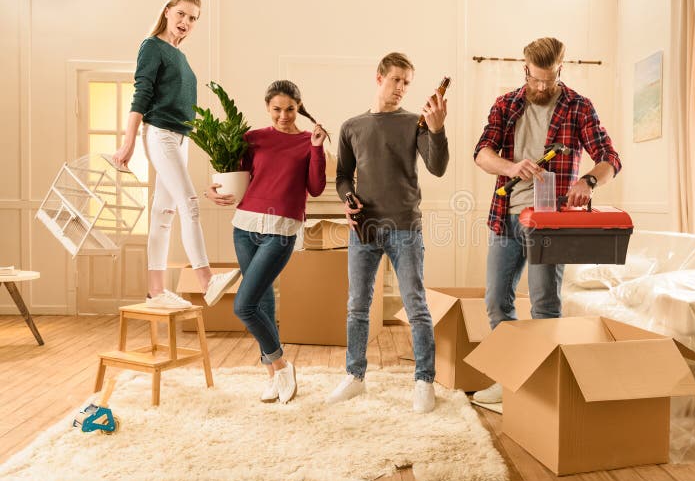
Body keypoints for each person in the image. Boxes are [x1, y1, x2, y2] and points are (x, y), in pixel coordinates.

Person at [472, 37, 622, 404]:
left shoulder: (577, 107)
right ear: (525, 70)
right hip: (506, 218)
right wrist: (510, 166)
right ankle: (510, 378)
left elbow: (609, 158)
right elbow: (482, 153)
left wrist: (588, 181)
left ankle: (542, 386)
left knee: (544, 304)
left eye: (549, 79)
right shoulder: (506, 105)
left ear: (561, 70)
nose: (542, 86)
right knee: (496, 301)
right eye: (536, 79)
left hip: (549, 224)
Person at [326, 52, 449, 414]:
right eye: (396, 80)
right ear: (379, 78)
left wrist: (437, 129)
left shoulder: (416, 123)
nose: (401, 88)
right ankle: (355, 377)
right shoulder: (352, 126)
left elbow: (437, 167)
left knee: (416, 306)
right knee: (357, 306)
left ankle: (424, 381)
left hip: (405, 227)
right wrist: (347, 198)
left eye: (407, 83)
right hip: (364, 228)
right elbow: (343, 176)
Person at [112, 0, 239, 308]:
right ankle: (207, 280)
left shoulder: (178, 54)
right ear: (167, 11)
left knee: (164, 212)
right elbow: (140, 95)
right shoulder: (152, 46)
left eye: (193, 18)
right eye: (181, 13)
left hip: (180, 138)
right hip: (161, 135)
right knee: (189, 204)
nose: (186, 21)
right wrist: (128, 143)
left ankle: (155, 290)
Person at [206, 80, 327, 404]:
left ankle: (282, 365)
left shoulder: (307, 141)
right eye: (277, 109)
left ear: (299, 107)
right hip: (244, 228)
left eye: (290, 109)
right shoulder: (253, 139)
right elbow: (234, 176)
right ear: (267, 108)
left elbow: (315, 187)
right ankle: (272, 375)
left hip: (281, 231)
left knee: (243, 305)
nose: (283, 115)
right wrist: (212, 189)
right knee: (262, 302)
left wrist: (317, 148)